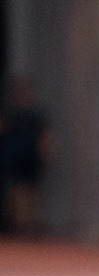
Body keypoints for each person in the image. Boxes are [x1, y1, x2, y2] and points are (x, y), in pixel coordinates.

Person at [0, 77, 50, 236]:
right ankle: (20, 225)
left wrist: (46, 151)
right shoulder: (10, 114)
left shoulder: (35, 116)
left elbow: (44, 137)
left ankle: (31, 225)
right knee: (18, 192)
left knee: (32, 192)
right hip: (15, 159)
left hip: (31, 159)